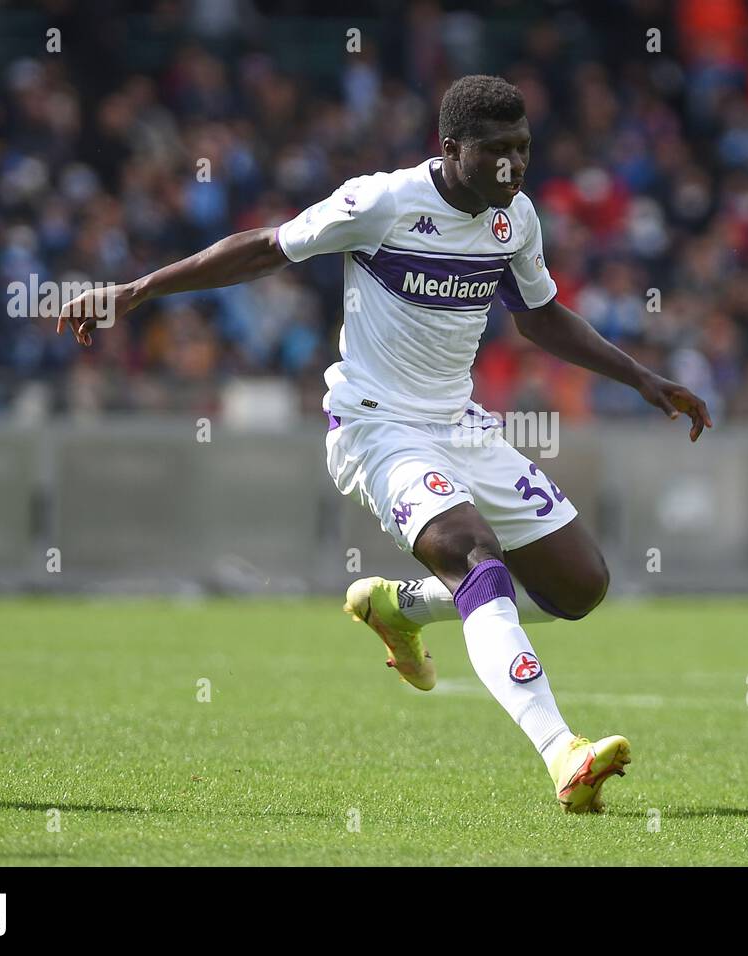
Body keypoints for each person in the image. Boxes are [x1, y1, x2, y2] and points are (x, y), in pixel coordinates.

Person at [58, 75, 712, 811]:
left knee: (580, 586)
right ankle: (564, 753)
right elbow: (265, 248)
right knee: (475, 554)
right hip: (377, 427)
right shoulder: (383, 202)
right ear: (452, 147)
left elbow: (541, 316)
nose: (513, 167)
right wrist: (136, 291)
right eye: (496, 152)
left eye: (523, 150)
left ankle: (398, 607)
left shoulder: (516, 220)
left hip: (460, 425)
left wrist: (642, 378)